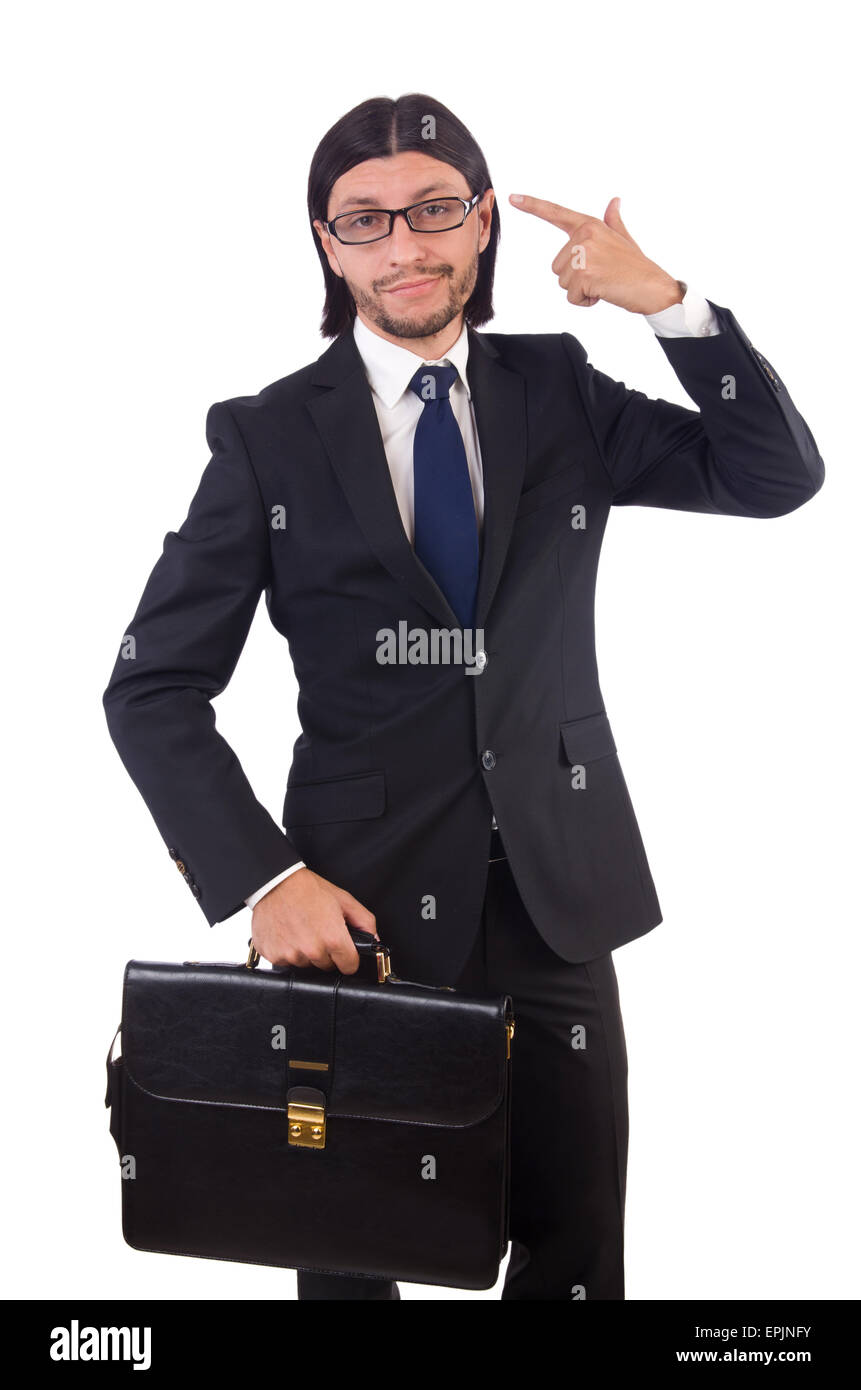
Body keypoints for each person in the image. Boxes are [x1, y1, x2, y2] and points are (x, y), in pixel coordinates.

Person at [102, 92, 825, 1300]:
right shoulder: (268, 437)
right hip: (355, 915)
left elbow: (772, 475)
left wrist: (669, 304)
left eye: (436, 209)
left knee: (578, 1249)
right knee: (351, 1251)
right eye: (367, 221)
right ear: (328, 246)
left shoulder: (560, 393)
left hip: (556, 894)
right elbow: (152, 687)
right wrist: (265, 880)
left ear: (482, 223)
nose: (406, 246)